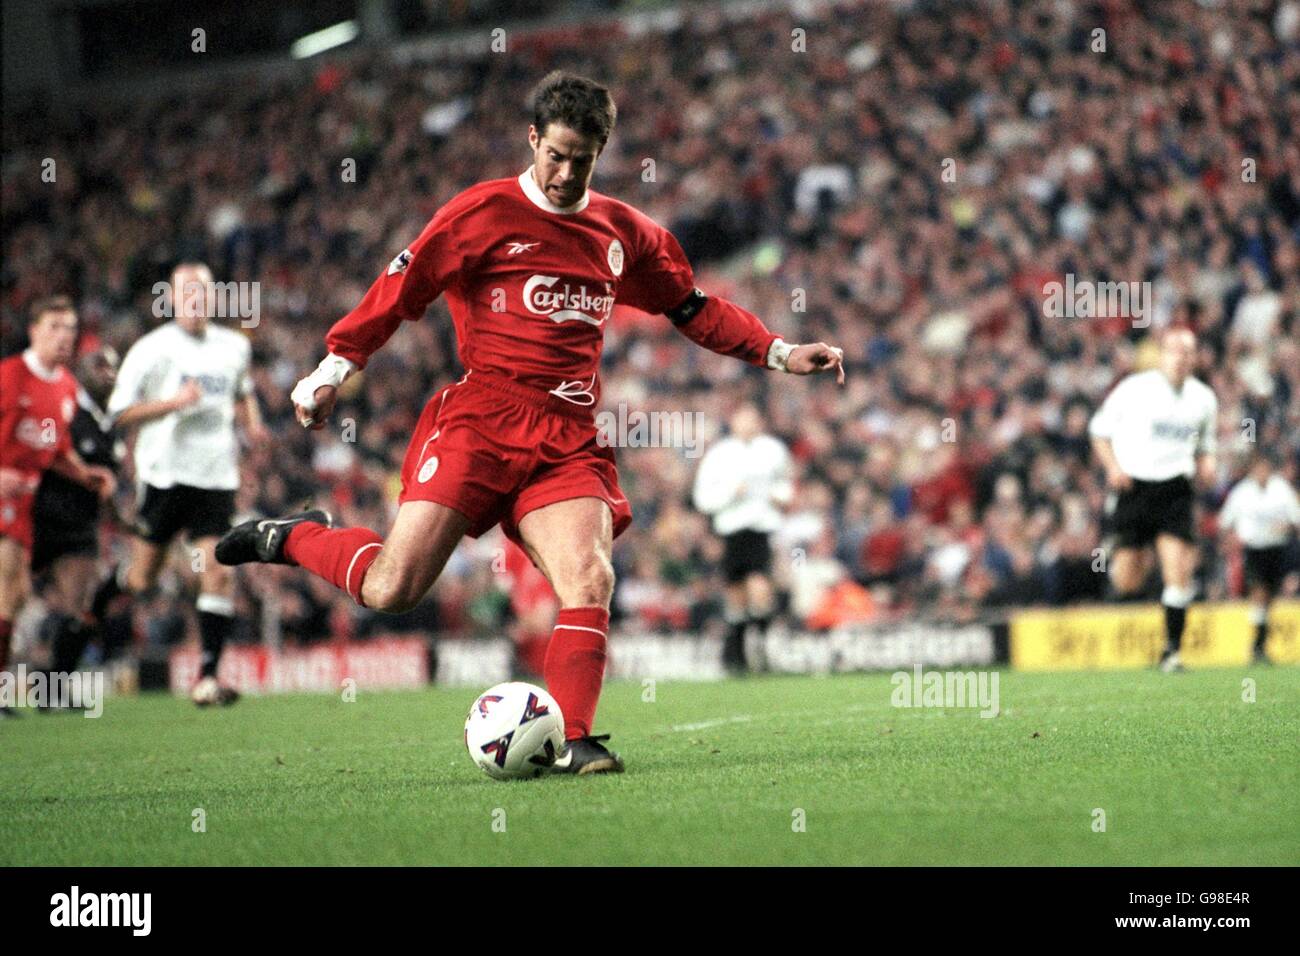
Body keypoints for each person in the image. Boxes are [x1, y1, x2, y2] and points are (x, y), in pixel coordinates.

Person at [217, 71, 844, 773]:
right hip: (481, 420)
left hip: (567, 436)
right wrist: (332, 371)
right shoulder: (478, 215)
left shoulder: (624, 232)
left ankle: (574, 739)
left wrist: (780, 351)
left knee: (589, 577)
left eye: (584, 158)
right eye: (557, 154)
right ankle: (297, 538)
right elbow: (400, 290)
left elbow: (693, 308)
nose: (567, 172)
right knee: (392, 589)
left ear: (602, 151)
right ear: (533, 139)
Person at [107, 262, 268, 706]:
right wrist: (173, 403)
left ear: (213, 298)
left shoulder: (234, 346)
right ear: (172, 298)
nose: (196, 300)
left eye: (203, 292)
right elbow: (118, 413)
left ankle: (207, 679)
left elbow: (241, 391)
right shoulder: (151, 349)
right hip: (164, 476)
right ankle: (114, 585)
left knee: (217, 570)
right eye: (187, 293)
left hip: (215, 477)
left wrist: (252, 425)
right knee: (142, 579)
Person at [0, 298, 117, 715]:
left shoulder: (66, 387)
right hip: (4, 498)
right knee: (9, 591)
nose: (64, 336)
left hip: (26, 503)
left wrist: (86, 474)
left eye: (70, 328)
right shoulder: (9, 376)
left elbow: (56, 450)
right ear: (33, 330)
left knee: (12, 596)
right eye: (54, 327)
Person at [1089, 327, 1218, 672]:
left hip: (1176, 490)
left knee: (1179, 572)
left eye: (1188, 351)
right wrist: (1113, 468)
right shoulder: (1134, 390)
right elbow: (1099, 432)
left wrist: (1207, 464)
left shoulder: (1204, 399)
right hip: (1135, 489)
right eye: (1175, 350)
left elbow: (1205, 446)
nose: (1181, 357)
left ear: (1195, 358)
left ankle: (1171, 652)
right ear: (1162, 355)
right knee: (1127, 579)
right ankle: (1123, 554)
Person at [31, 346, 124, 689]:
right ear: (81, 371)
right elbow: (44, 451)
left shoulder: (110, 423)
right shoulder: (64, 407)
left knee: (80, 606)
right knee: (12, 598)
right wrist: (87, 475)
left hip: (81, 526)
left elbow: (107, 485)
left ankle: (53, 687)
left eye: (114, 367)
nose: (108, 373)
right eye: (100, 366)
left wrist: (121, 521)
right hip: (40, 515)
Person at [692, 403, 793, 673]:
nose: (747, 424)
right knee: (736, 595)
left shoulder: (773, 450)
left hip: (761, 527)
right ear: (733, 422)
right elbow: (702, 498)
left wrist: (780, 497)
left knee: (760, 586)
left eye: (752, 418)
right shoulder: (719, 455)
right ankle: (738, 653)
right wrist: (729, 494)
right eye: (742, 418)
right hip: (731, 530)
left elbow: (786, 484)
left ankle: (760, 644)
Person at [1218, 452, 1300, 662]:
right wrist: (1230, 540)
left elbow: (1296, 518)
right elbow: (1225, 522)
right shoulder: (1242, 492)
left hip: (1277, 549)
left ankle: (1260, 645)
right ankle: (1257, 645)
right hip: (1254, 550)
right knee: (1259, 593)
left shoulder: (1281, 489)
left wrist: (1287, 526)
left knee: (1269, 597)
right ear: (1253, 470)